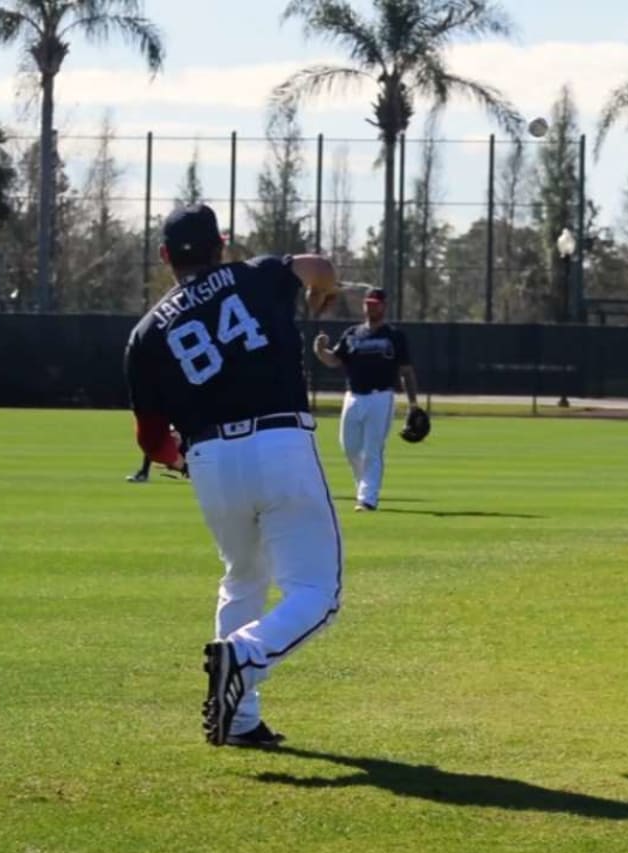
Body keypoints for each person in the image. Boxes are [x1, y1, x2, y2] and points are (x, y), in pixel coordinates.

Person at [124, 203, 344, 745]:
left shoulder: (146, 333)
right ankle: (246, 657)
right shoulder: (259, 275)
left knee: (243, 578)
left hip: (209, 462)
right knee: (317, 592)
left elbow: (151, 439)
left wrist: (180, 462)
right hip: (280, 442)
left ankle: (240, 720)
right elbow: (319, 266)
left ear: (164, 256)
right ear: (222, 244)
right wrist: (325, 291)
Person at [311, 287, 420, 512]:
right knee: (349, 448)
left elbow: (406, 371)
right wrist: (320, 350)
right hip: (353, 397)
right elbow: (334, 360)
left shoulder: (394, 336)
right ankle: (364, 486)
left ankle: (367, 498)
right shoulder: (352, 334)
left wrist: (413, 404)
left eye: (375, 303)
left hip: (381, 396)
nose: (371, 307)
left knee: (372, 449)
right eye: (368, 303)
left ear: (384, 306)